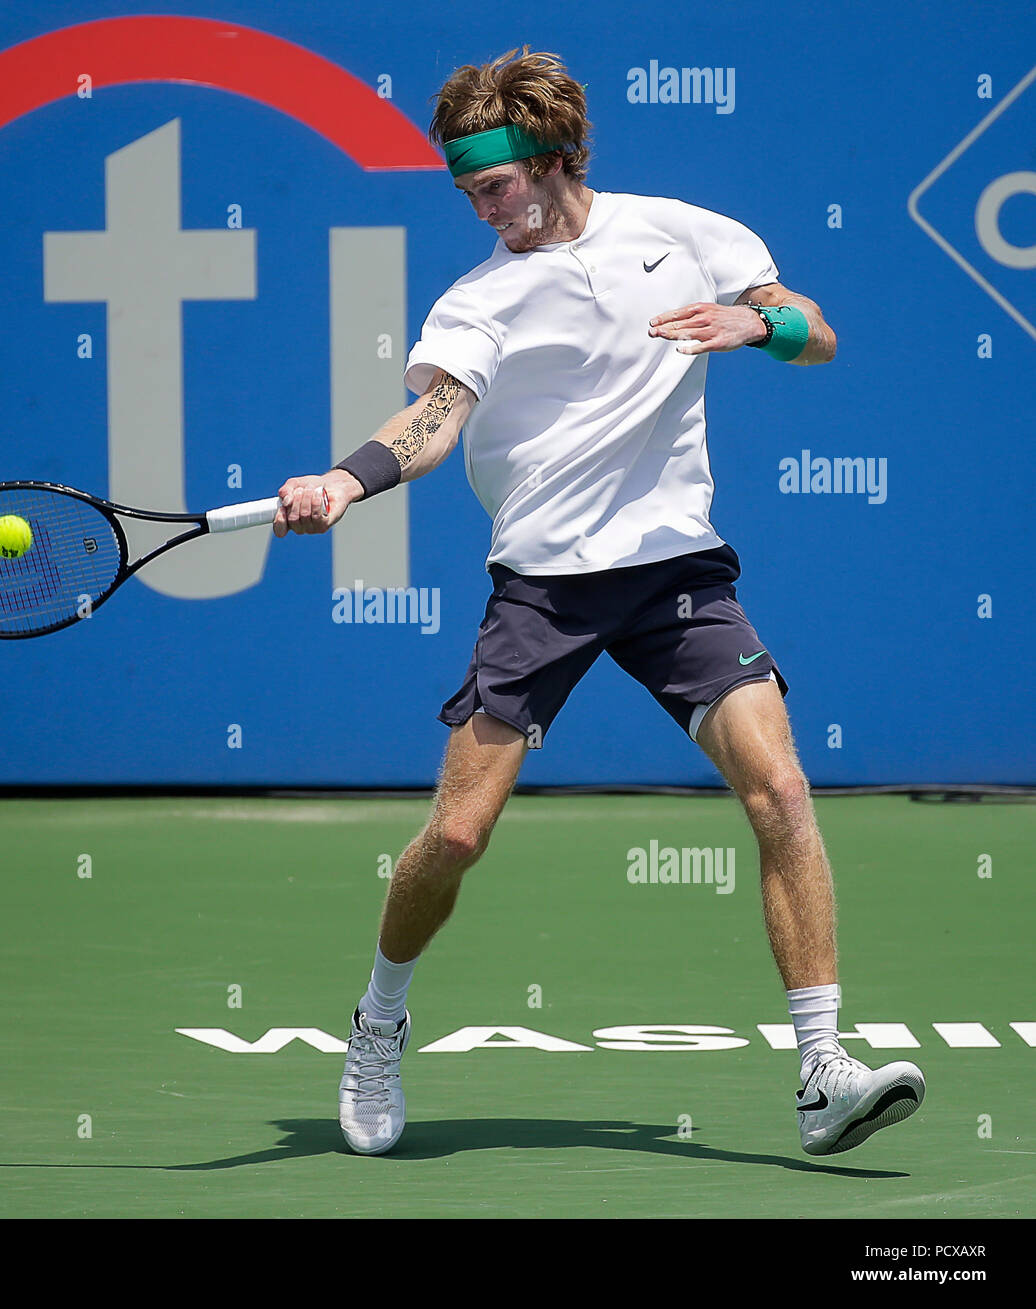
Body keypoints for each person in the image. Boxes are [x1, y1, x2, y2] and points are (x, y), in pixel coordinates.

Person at [273, 47, 924, 1158]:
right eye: (469, 192)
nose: (484, 208)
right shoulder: (478, 297)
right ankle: (378, 1019)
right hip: (542, 588)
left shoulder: (685, 235)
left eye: (496, 186)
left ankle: (822, 1069)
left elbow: (815, 332)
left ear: (556, 156)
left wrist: (752, 325)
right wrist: (346, 478)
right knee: (461, 832)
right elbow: (430, 420)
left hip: (677, 574)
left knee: (779, 788)